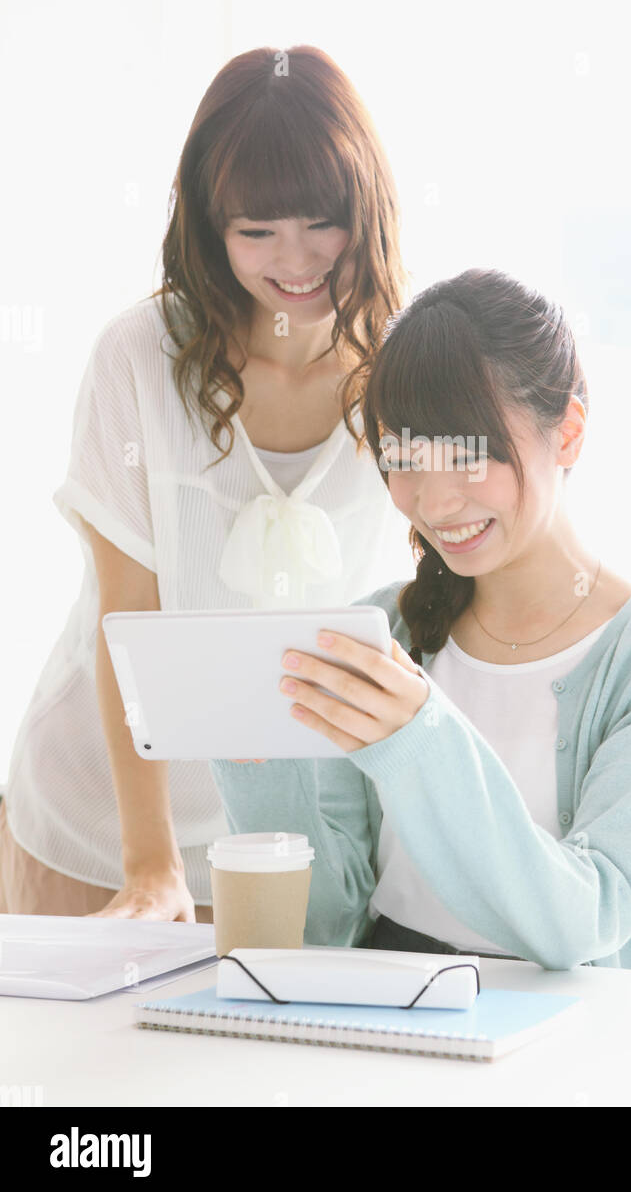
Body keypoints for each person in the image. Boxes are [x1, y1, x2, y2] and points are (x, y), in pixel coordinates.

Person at [210, 269, 631, 970]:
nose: (435, 503)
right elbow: (329, 925)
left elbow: (583, 921)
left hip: (576, 1035)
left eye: (465, 456)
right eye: (403, 461)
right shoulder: (383, 635)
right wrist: (260, 761)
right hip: (395, 1015)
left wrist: (420, 736)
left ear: (568, 435)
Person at [0, 45, 415, 923]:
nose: (293, 261)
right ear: (209, 226)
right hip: (99, 819)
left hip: (283, 832)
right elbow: (128, 624)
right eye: (255, 230)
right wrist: (148, 864)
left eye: (319, 224)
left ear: (364, 211)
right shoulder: (137, 359)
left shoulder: (403, 372)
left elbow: (433, 603)